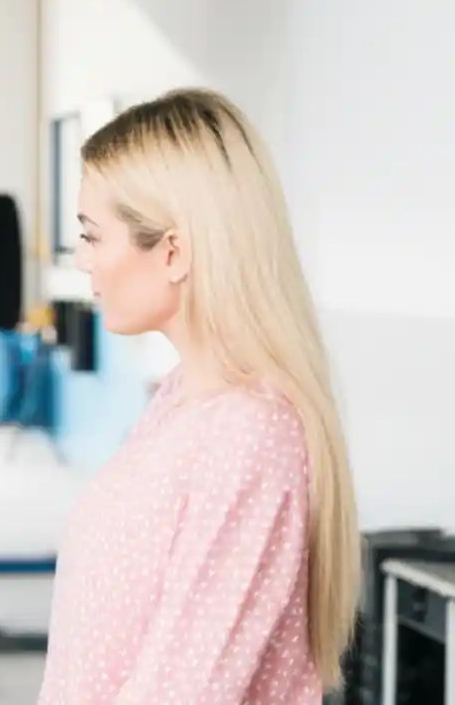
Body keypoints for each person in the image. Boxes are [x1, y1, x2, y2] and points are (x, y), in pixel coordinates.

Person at [36, 88, 361, 704]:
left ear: (173, 251)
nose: (83, 262)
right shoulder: (184, 397)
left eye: (92, 236)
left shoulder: (249, 433)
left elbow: (183, 691)